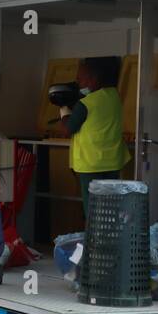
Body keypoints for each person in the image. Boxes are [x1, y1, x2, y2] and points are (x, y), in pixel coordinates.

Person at [62, 57, 130, 219]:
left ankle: (95, 242)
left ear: (93, 79)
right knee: (111, 209)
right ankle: (111, 241)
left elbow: (67, 129)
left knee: (93, 211)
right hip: (113, 163)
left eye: (80, 78)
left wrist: (64, 112)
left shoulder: (86, 103)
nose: (78, 82)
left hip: (91, 165)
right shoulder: (114, 96)